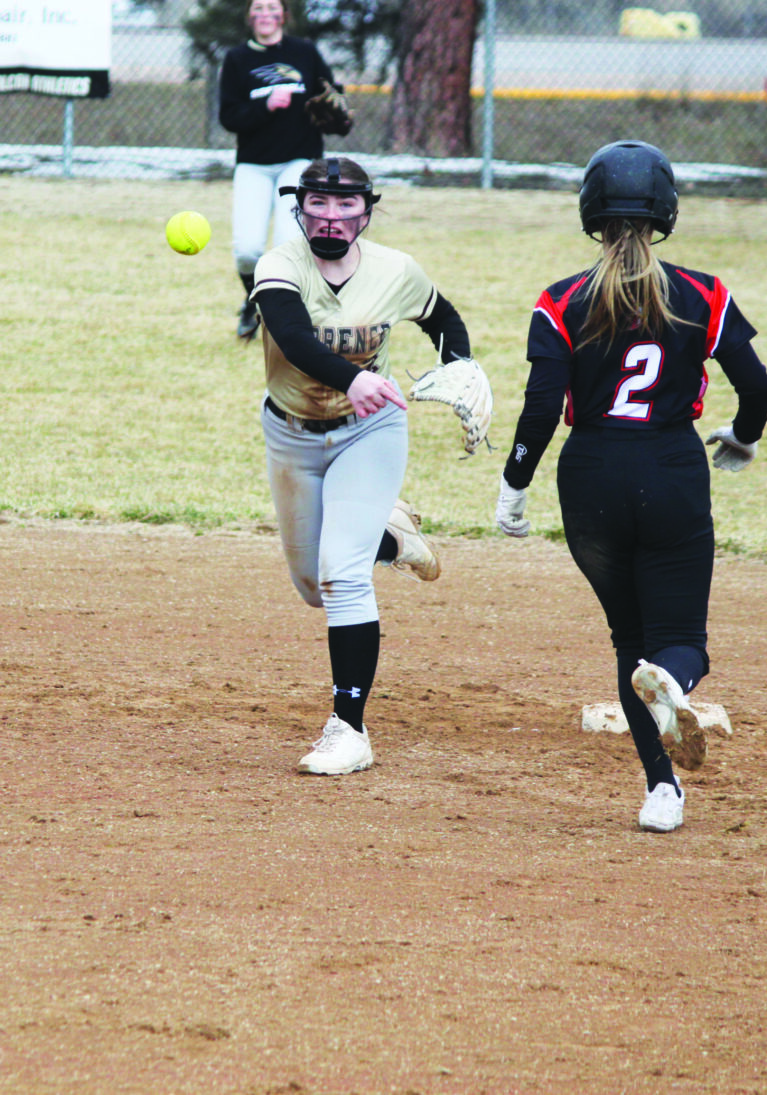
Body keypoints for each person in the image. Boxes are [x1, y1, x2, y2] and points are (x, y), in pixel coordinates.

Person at [494, 140, 767, 833]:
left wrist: (514, 485)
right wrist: (743, 433)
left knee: (628, 639)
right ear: (665, 210)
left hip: (588, 478)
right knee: (682, 643)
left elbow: (540, 406)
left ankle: (662, 790)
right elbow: (757, 386)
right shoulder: (702, 291)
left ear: (590, 210)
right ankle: (674, 683)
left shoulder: (561, 300)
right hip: (670, 469)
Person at [252, 156, 479, 775]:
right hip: (293, 434)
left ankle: (348, 729)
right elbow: (293, 339)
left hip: (370, 430)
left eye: (345, 205)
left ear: (367, 211)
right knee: (311, 588)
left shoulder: (395, 270)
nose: (330, 217)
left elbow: (444, 320)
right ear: (300, 209)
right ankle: (389, 535)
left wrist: (460, 366)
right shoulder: (281, 264)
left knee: (340, 575)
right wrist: (352, 378)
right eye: (317, 205)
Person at [219, 0, 337, 341]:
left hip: (298, 160)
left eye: (273, 6)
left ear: (284, 14)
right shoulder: (237, 59)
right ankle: (253, 299)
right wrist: (265, 106)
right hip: (254, 163)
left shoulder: (304, 53)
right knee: (247, 249)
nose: (265, 13)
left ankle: (284, 320)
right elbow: (229, 116)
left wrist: (335, 108)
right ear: (250, 15)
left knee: (287, 242)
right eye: (258, 7)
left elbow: (330, 95)